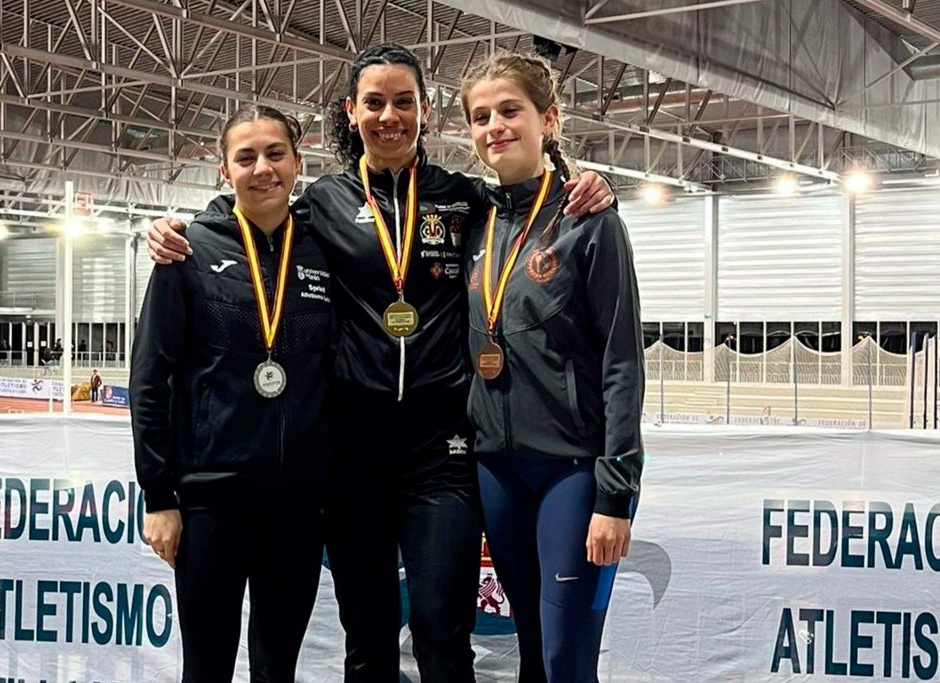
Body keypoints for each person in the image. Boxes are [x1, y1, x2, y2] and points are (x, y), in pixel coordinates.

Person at [145, 43, 615, 683]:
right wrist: (185, 225)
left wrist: (586, 182)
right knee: (366, 635)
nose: (388, 116)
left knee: (439, 628)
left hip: (441, 451)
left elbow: (525, 199)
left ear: (425, 109)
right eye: (374, 103)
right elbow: (255, 212)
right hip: (351, 455)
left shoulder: (462, 200)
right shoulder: (324, 204)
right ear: (352, 111)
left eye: (403, 101)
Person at [129, 104, 333, 682]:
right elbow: (150, 380)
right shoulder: (187, 251)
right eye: (246, 157)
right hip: (211, 502)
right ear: (224, 170)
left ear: (297, 163)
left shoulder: (323, 252)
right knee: (208, 666)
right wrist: (159, 496)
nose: (262, 168)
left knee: (277, 668)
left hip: (296, 504)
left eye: (276, 153)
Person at [458, 52, 644, 682]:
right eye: (481, 117)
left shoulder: (590, 222)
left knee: (567, 659)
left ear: (550, 119)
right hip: (496, 471)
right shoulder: (471, 220)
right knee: (532, 652)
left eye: (510, 111)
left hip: (575, 473)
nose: (494, 127)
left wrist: (616, 493)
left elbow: (622, 363)